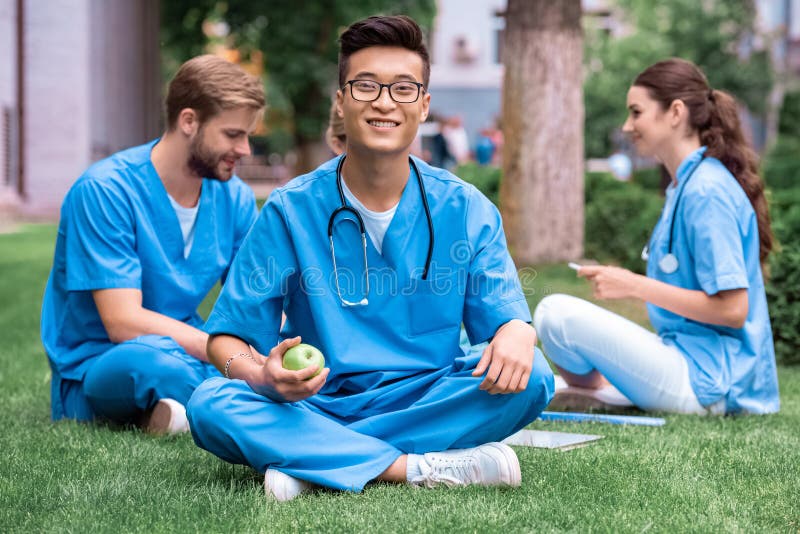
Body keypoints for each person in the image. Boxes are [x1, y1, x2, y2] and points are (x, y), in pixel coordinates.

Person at [186, 15, 553, 501]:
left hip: (428, 397)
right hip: (317, 402)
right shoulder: (290, 209)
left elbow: (504, 317)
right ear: (342, 101)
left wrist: (517, 330)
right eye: (365, 86)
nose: (384, 102)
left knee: (534, 378)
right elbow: (227, 337)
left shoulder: (465, 208)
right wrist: (261, 375)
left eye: (404, 88)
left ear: (424, 105)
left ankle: (315, 461)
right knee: (211, 402)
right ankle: (415, 468)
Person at [534, 58, 779, 415]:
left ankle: (601, 391)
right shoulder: (686, 185)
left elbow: (733, 309)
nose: (627, 126)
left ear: (675, 112)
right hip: (687, 362)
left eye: (636, 113)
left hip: (712, 381)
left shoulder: (706, 191)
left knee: (556, 312)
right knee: (551, 320)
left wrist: (633, 285)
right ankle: (599, 393)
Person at [40, 55, 266, 433]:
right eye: (233, 135)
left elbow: (256, 301)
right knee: (154, 364)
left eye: (247, 136)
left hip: (188, 348)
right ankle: (245, 402)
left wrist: (274, 353)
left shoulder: (236, 199)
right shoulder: (105, 191)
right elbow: (122, 322)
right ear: (189, 121)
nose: (245, 150)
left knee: (211, 363)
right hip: (104, 361)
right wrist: (230, 357)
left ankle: (169, 412)